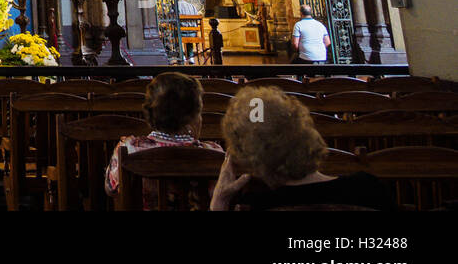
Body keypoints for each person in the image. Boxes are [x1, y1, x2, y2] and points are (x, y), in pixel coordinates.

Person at [212, 86, 394, 210]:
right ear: (306, 131)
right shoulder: (368, 187)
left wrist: (218, 204)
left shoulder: (257, 205)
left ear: (250, 158)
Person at [105, 72, 223, 202]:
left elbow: (112, 189)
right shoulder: (213, 153)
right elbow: (218, 195)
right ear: (192, 117)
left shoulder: (128, 148)